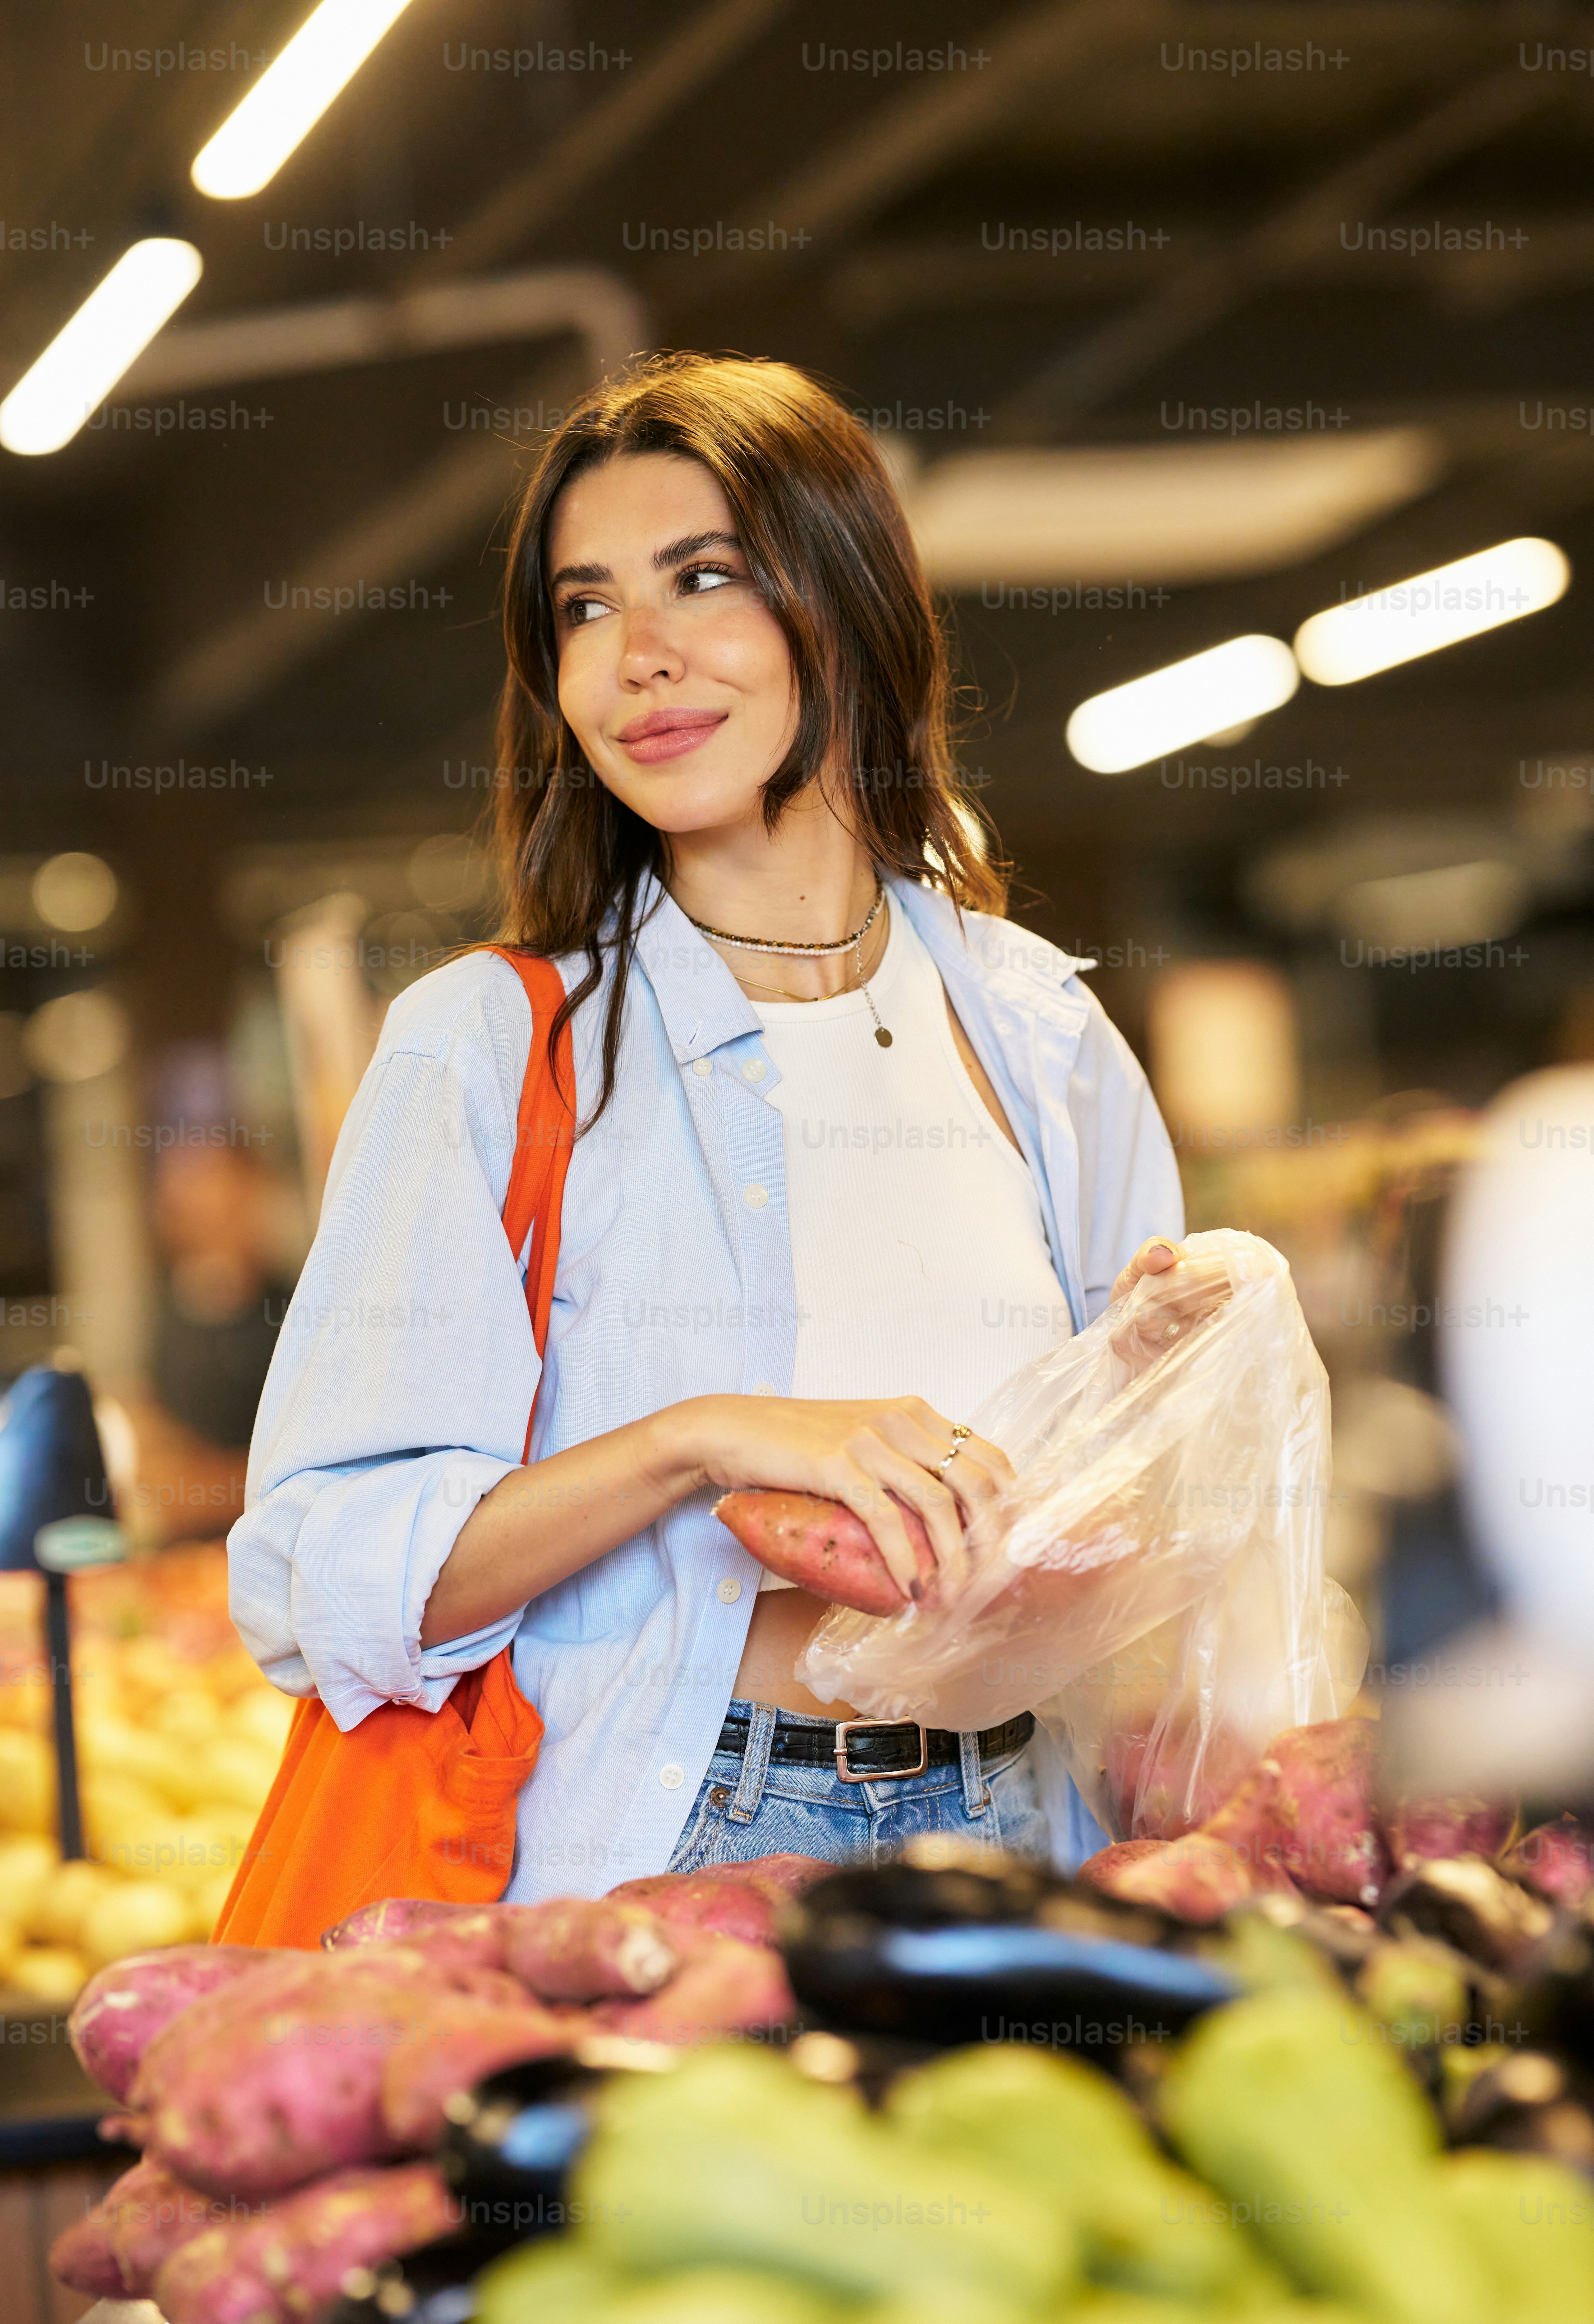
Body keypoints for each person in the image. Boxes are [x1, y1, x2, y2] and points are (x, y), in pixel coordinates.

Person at [228, 353, 1191, 1898]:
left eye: (704, 579)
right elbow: (318, 1577)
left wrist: (1161, 1407)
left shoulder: (1036, 1027)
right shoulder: (490, 1046)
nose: (638, 656)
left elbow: (1134, 1526)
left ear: (845, 599)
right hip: (678, 1840)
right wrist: (697, 1438)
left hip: (1025, 1826)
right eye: (585, 606)